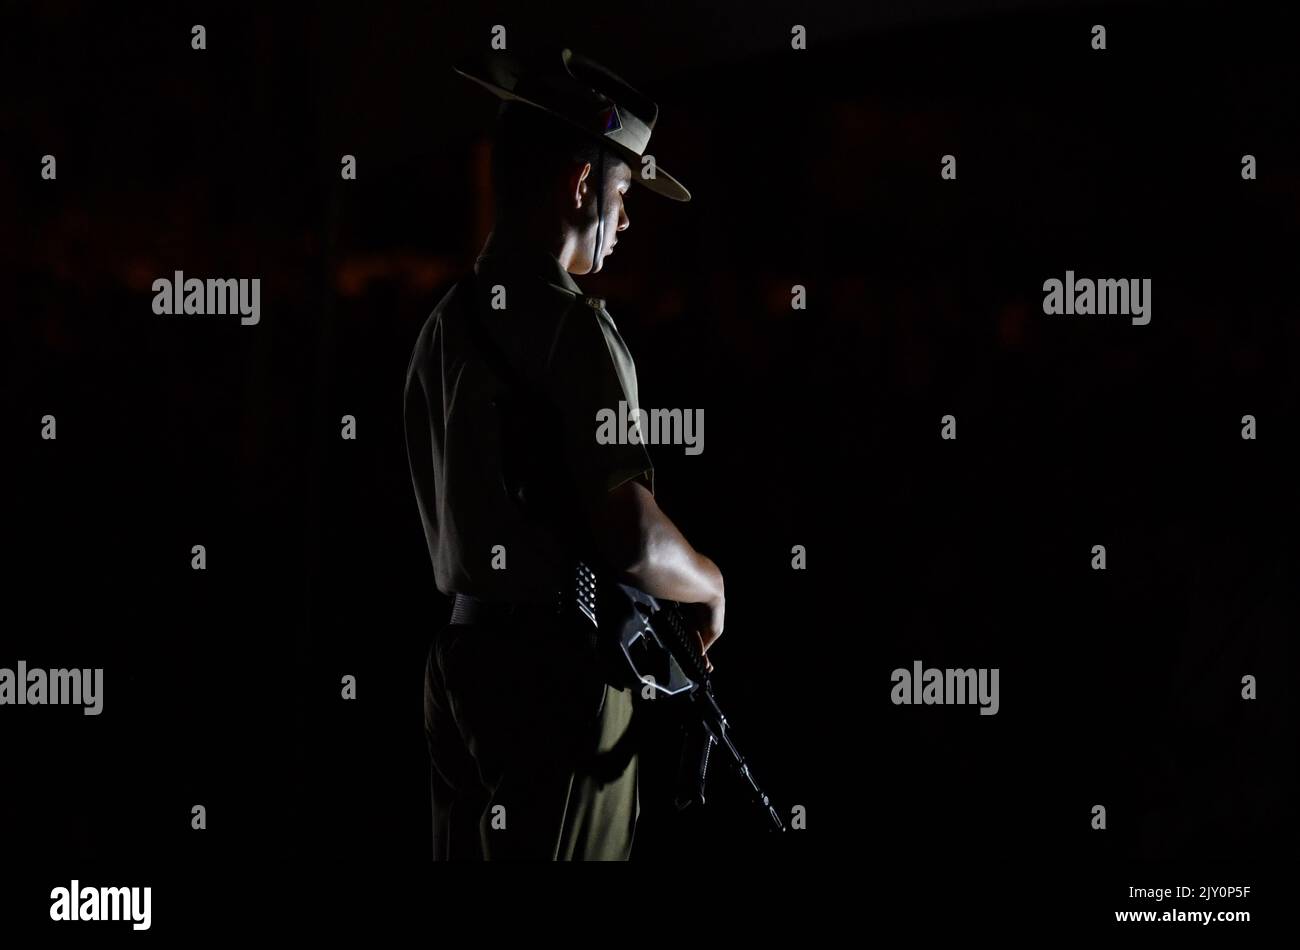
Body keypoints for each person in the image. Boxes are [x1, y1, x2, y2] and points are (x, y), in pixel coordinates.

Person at [403, 47, 725, 860]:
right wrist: (712, 583)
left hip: (458, 660)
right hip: (553, 678)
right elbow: (634, 537)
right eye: (623, 194)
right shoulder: (574, 328)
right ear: (582, 185)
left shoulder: (442, 326)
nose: (627, 220)